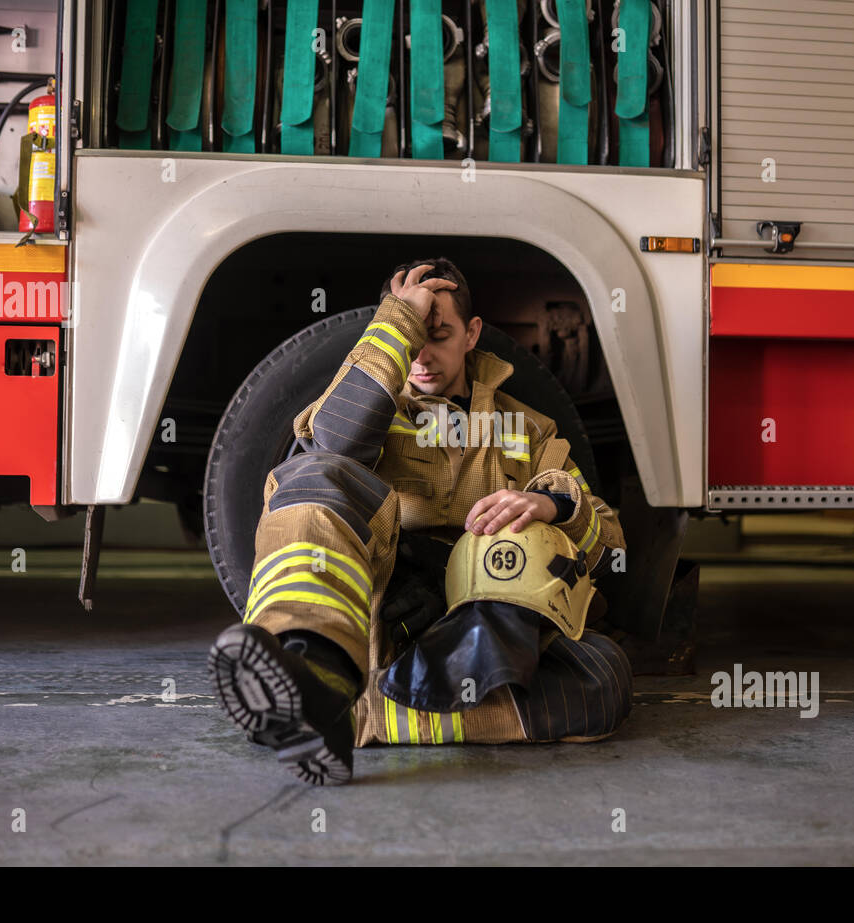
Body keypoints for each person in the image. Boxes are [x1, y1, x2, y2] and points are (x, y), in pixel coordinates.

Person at [208, 258, 632, 785]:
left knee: (603, 677)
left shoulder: (530, 429)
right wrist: (396, 324)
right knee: (313, 473)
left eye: (440, 334)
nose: (423, 356)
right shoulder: (366, 410)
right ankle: (316, 666)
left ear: (472, 333)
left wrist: (553, 504)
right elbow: (331, 447)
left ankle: (337, 712)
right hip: (373, 627)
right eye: (412, 337)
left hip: (480, 642)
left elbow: (609, 543)